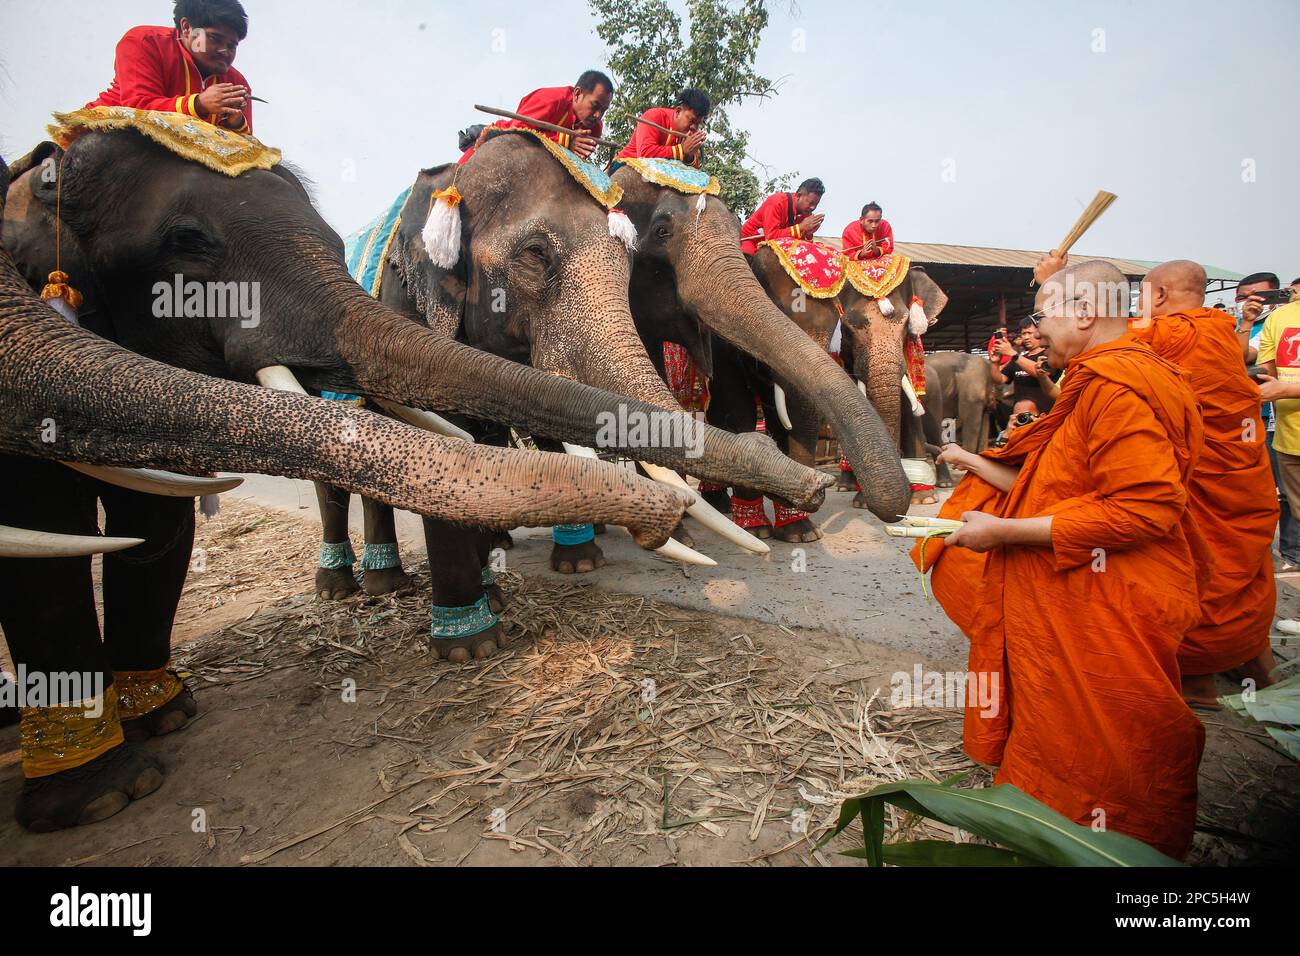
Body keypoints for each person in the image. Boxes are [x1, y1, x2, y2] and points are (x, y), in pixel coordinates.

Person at [918, 260, 1207, 859]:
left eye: (1042, 312)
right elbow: (1053, 485)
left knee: (1111, 740)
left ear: (1082, 312)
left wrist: (1004, 534)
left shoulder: (1120, 387)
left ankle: (1123, 853)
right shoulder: (1096, 380)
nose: (1036, 329)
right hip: (1075, 590)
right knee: (1055, 727)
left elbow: (1143, 508)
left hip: (1110, 597)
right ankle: (1052, 827)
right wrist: (975, 465)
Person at [1130, 260, 1278, 706]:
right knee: (1241, 559)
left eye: (1142, 296)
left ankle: (1195, 676)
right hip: (1242, 480)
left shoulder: (1159, 338)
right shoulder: (1224, 333)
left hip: (1193, 479)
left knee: (1192, 561)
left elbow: (1091, 348)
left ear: (1157, 296)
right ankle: (1253, 656)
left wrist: (1047, 281)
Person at [87, 0, 253, 133]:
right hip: (107, 136)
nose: (224, 51)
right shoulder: (145, 41)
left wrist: (235, 121)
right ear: (187, 28)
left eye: (232, 45)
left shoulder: (238, 83)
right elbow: (137, 108)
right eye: (214, 39)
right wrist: (198, 104)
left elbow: (245, 152)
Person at [465, 70, 614, 162]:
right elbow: (517, 132)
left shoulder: (595, 128)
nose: (598, 115)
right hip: (498, 146)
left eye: (604, 110)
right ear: (577, 94)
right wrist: (565, 142)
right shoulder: (550, 99)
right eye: (594, 106)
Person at [616, 89, 710, 167]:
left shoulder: (689, 134)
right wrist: (681, 150)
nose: (694, 127)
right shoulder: (654, 115)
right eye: (692, 121)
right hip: (626, 166)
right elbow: (645, 153)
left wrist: (688, 155)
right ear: (678, 111)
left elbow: (694, 170)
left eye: (698, 124)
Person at [739, 179, 825, 256]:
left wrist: (808, 233)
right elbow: (771, 236)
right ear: (798, 196)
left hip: (775, 248)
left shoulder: (806, 214)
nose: (813, 208)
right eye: (810, 203)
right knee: (747, 264)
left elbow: (800, 244)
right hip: (750, 240)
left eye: (815, 205)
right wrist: (801, 227)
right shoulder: (777, 202)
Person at [993, 317, 1060, 411]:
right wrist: (995, 362)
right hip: (1021, 415)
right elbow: (1000, 379)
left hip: (1045, 414)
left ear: (1039, 332)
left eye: (1029, 333)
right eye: (1024, 333)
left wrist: (1013, 354)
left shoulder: (1049, 354)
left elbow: (1041, 372)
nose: (1026, 337)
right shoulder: (1019, 358)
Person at [1236, 271, 1283, 364]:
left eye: (1258, 297)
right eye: (1242, 297)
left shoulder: (1279, 325)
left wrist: (1248, 321)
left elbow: (1240, 357)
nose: (1249, 301)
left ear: (1275, 297)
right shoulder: (1228, 323)